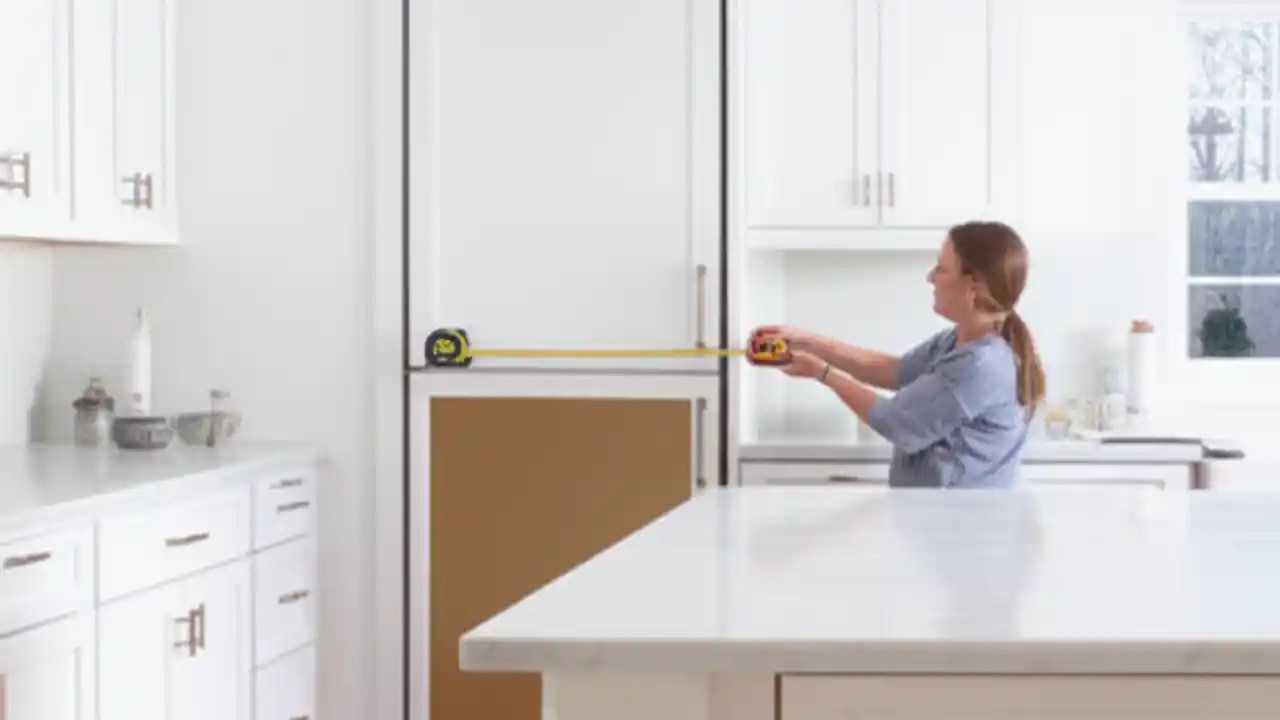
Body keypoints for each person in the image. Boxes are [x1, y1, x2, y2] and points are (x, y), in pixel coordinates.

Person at [754, 221, 1045, 488]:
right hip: (942, 520)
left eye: (941, 268)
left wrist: (822, 373)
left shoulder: (981, 365)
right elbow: (892, 370)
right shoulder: (957, 340)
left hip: (965, 528)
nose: (930, 276)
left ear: (973, 286)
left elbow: (896, 422)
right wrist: (808, 341)